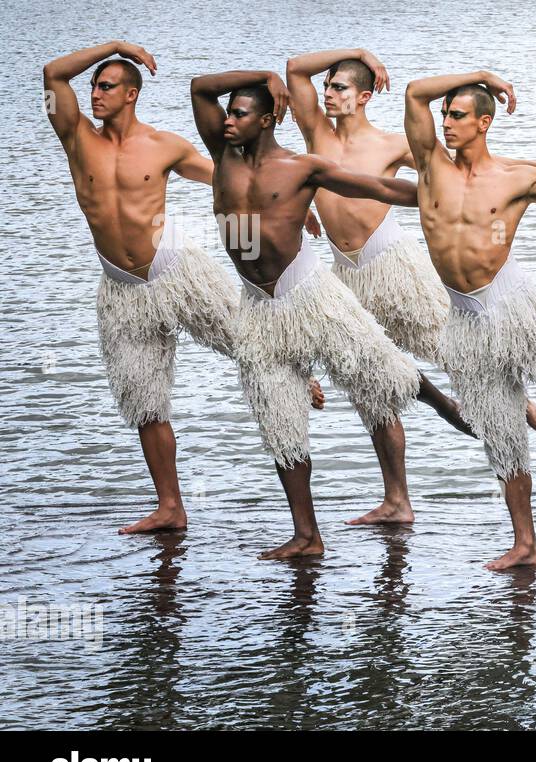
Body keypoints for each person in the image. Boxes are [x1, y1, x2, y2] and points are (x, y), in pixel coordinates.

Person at [42, 40, 324, 536]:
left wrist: (294, 205)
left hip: (175, 270)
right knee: (144, 401)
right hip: (121, 288)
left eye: (106, 86)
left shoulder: (164, 145)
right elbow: (52, 74)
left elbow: (231, 176)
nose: (94, 94)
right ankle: (170, 506)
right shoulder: (76, 136)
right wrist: (113, 48)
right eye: (92, 86)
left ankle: (298, 374)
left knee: (245, 338)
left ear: (131, 95)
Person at [285, 48, 536, 525]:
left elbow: (454, 183)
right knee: (369, 386)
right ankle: (397, 500)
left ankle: (528, 411)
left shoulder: (392, 144)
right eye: (327, 87)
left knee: (456, 351)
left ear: (363, 96)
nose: (328, 94)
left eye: (338, 87)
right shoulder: (314, 133)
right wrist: (357, 53)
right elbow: (296, 68)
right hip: (346, 271)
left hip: (393, 264)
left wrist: (507, 182)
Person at [191, 68, 453, 558]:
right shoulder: (221, 153)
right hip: (257, 308)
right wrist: (265, 75)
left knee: (383, 371)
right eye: (228, 113)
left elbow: (376, 188)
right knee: (279, 421)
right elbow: (201, 87)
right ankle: (307, 536)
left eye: (240, 114)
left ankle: (447, 406)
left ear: (267, 119)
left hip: (309, 293)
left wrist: (453, 199)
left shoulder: (300, 166)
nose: (228, 121)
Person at [404, 70, 536, 570]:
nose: (446, 123)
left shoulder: (520, 177)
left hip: (514, 305)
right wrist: (478, 76)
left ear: (484, 123)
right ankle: (525, 544)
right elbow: (414, 93)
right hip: (465, 319)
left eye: (457, 116)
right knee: (500, 436)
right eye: (445, 115)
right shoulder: (431, 167)